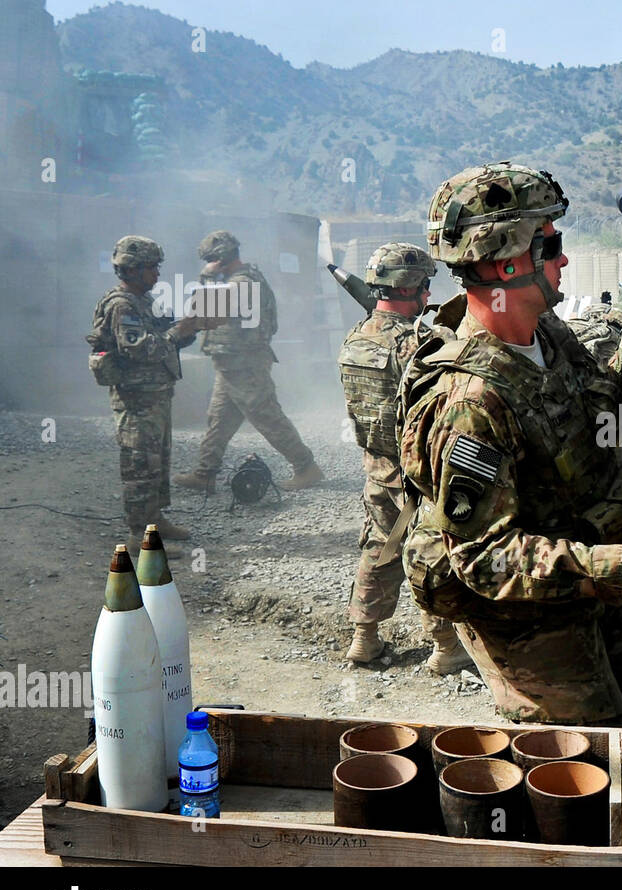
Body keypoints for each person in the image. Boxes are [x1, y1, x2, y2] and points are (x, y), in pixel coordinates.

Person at [399, 162, 622, 737]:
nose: (563, 260)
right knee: (592, 762)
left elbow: (597, 409)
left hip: (581, 583)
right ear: (507, 261)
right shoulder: (471, 399)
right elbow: (483, 558)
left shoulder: (546, 335)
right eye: (552, 244)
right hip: (524, 615)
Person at [336, 241, 470, 672]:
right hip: (418, 473)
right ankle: (446, 647)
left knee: (380, 546)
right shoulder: (421, 342)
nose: (429, 296)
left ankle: (364, 638)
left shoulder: (355, 339)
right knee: (428, 552)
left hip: (378, 467)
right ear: (411, 286)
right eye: (425, 287)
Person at [174, 230, 323, 493]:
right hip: (233, 364)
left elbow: (203, 314)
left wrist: (206, 278)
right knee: (219, 419)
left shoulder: (239, 284)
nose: (207, 265)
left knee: (267, 416)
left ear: (219, 259)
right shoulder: (242, 280)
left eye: (209, 260)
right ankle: (205, 473)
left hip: (245, 365)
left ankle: (306, 467)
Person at [87, 235, 203, 550]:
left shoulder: (142, 301)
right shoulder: (121, 304)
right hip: (135, 400)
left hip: (154, 397)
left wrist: (188, 328)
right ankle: (140, 534)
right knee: (139, 465)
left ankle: (155, 520)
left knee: (158, 461)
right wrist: (179, 331)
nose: (157, 274)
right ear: (133, 270)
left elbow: (160, 335)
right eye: (151, 268)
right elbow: (137, 348)